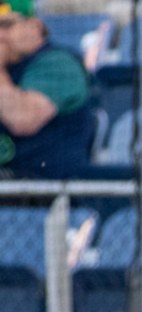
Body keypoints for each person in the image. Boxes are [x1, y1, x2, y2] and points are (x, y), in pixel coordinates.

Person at [0, 0, 94, 179]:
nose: (0, 36)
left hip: (49, 191)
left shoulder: (59, 64)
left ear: (35, 26)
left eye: (6, 25)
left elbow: (22, 118)